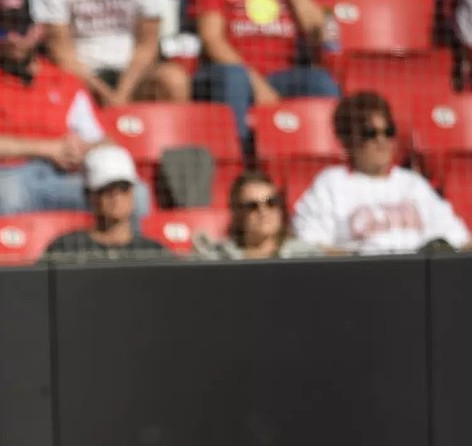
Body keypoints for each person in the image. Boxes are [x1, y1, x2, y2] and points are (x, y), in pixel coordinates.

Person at [0, 5, 152, 225]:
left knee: (137, 195)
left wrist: (81, 148)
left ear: (39, 30)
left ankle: (124, 257)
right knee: (7, 193)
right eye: (4, 30)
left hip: (64, 178)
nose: (12, 38)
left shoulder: (65, 81)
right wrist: (50, 148)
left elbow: (104, 141)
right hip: (7, 174)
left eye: (21, 29)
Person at [292, 92, 471, 255]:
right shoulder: (331, 183)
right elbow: (310, 246)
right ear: (348, 139)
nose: (381, 141)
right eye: (370, 134)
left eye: (388, 132)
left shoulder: (413, 183)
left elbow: (458, 240)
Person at [192, 0, 340, 148]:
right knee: (235, 79)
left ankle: (326, 155)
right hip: (231, 72)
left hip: (283, 76)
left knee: (321, 82)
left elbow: (320, 32)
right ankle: (238, 157)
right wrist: (256, 83)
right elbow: (212, 40)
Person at [31, 0, 191, 106]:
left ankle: (176, 153)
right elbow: (61, 52)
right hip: (79, 75)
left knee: (174, 79)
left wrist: (123, 92)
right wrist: (103, 92)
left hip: (134, 73)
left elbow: (147, 46)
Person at [44, 144, 168, 262]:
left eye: (123, 187)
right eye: (106, 189)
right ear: (88, 194)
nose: (116, 196)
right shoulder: (65, 251)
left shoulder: (154, 253)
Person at [194, 170, 321, 259]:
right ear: (237, 212)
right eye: (252, 206)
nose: (263, 211)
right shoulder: (216, 258)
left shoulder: (306, 255)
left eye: (271, 203)